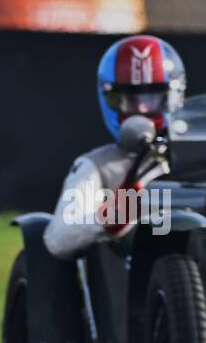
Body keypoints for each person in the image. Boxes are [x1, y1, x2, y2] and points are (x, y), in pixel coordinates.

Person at [44, 35, 186, 259]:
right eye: (129, 99)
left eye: (152, 98)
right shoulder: (96, 165)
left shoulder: (199, 155)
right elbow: (58, 238)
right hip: (134, 274)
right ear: (111, 99)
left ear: (172, 97)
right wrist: (110, 216)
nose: (140, 109)